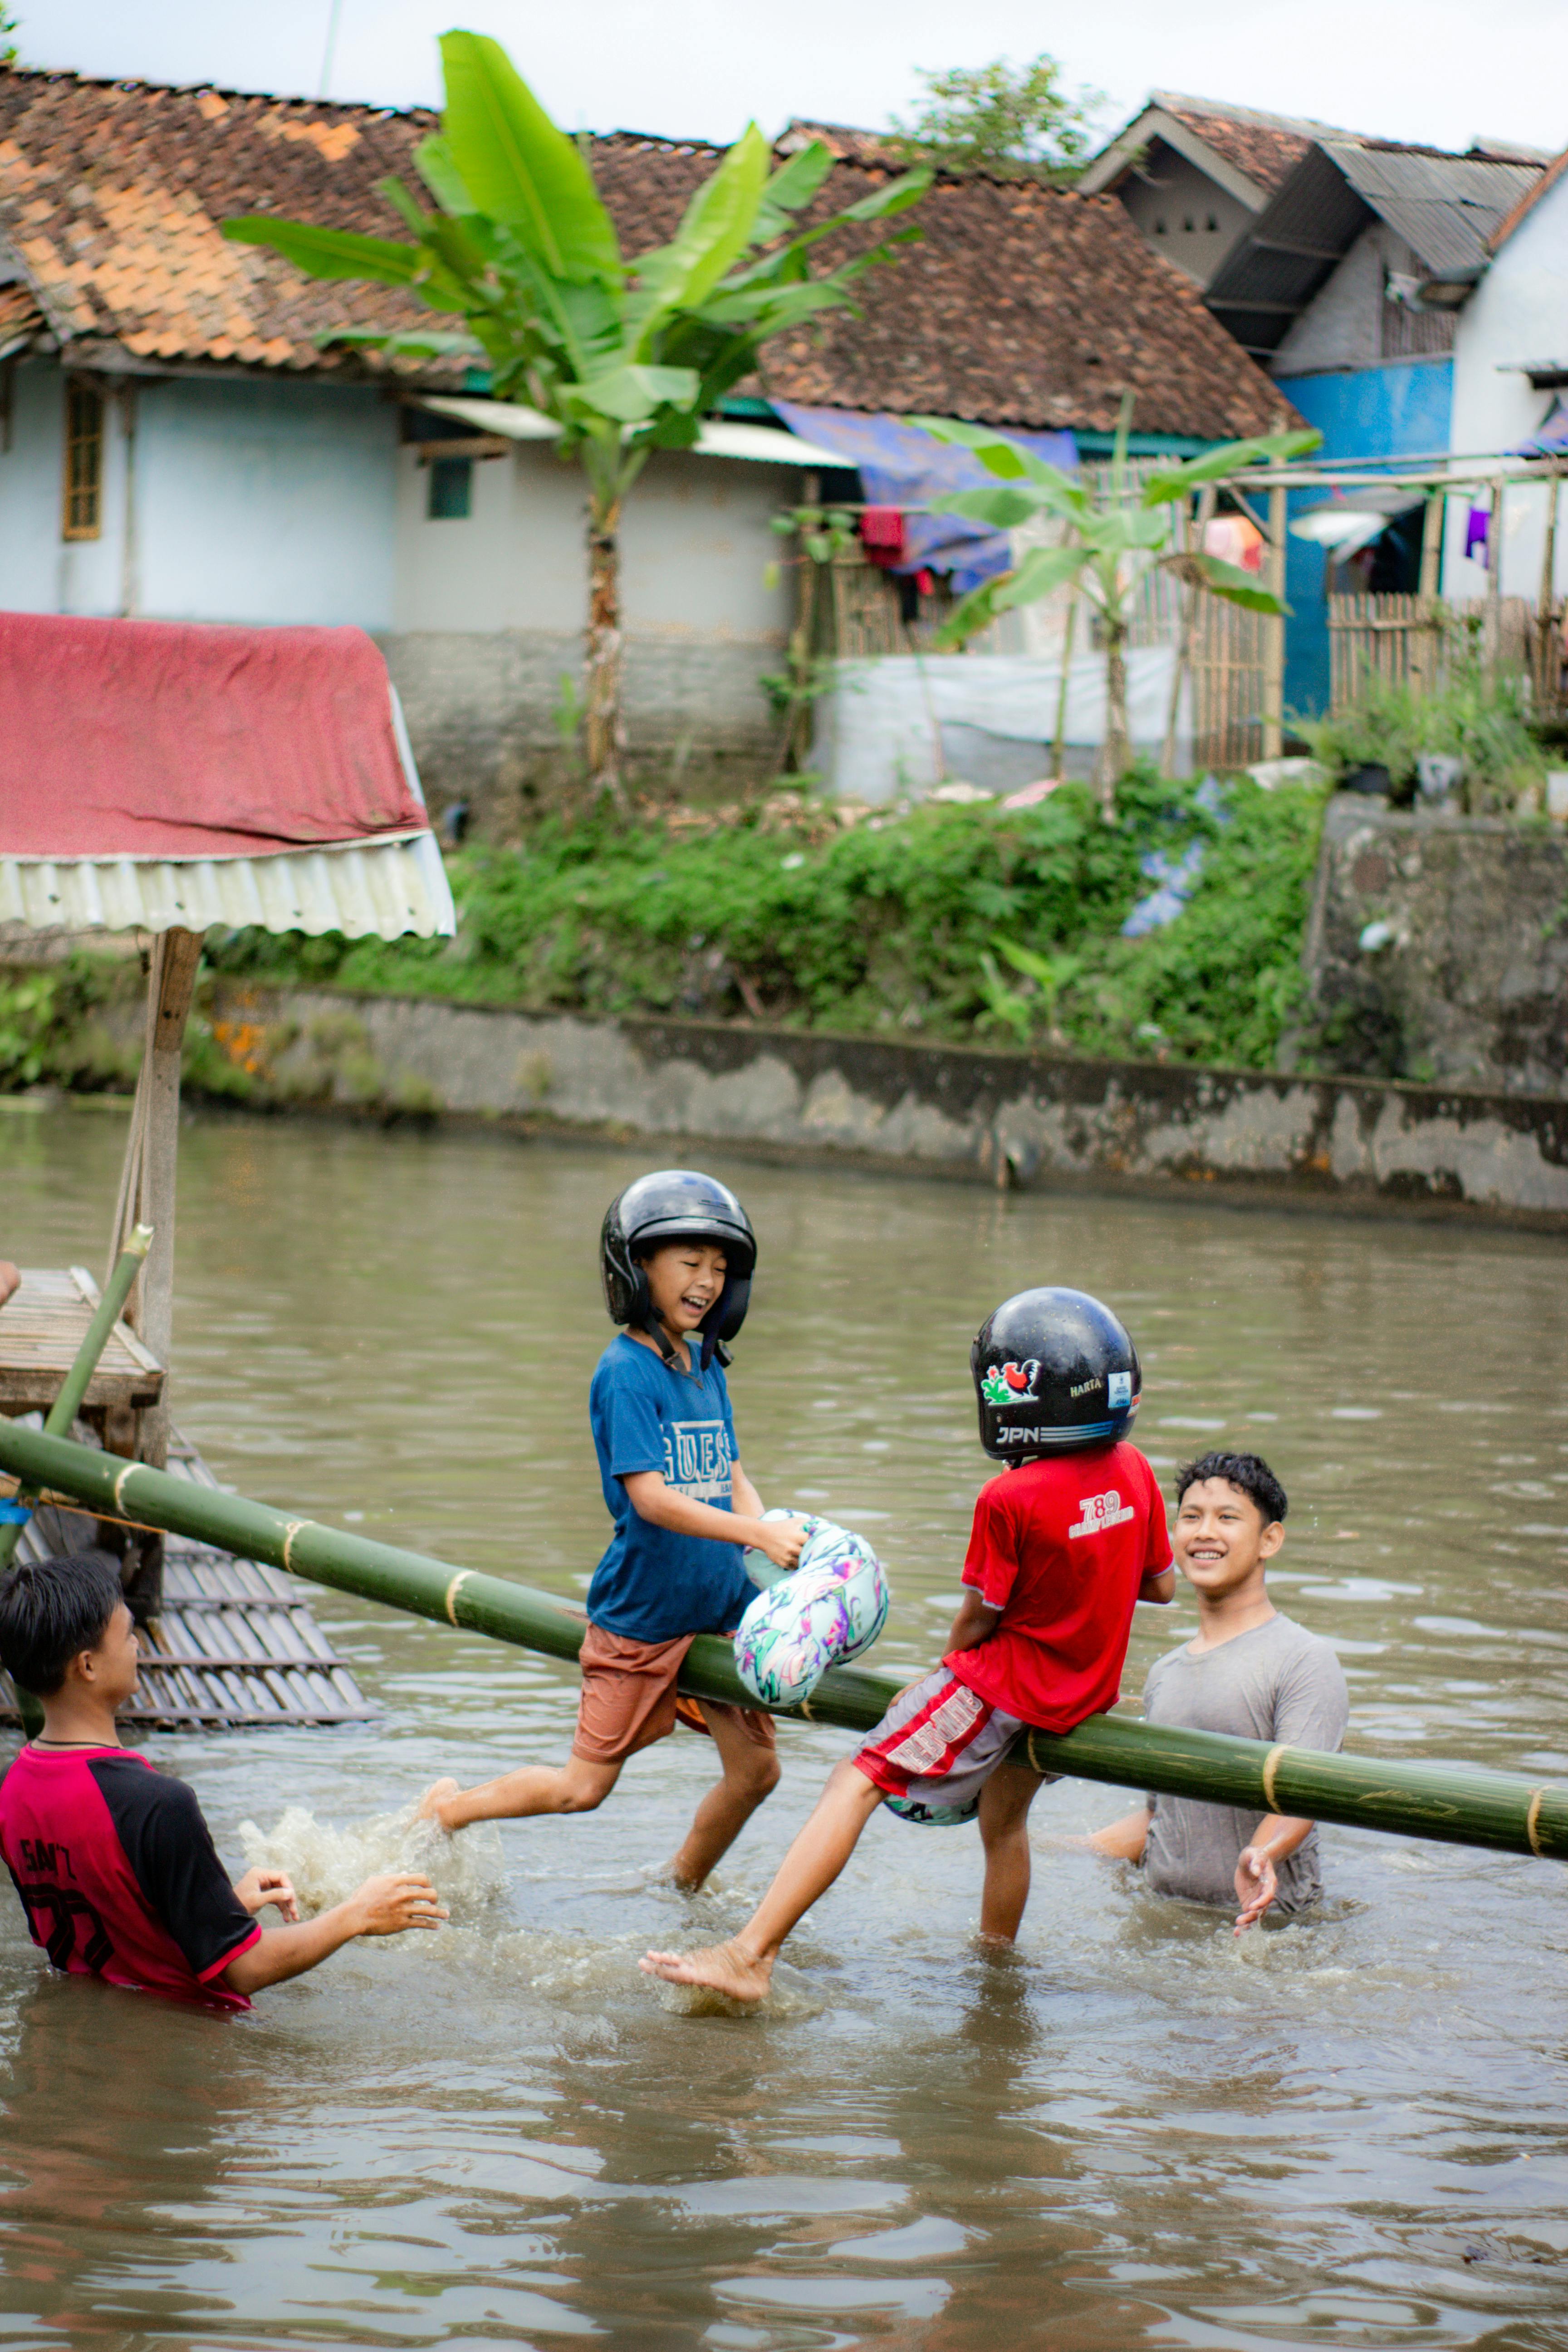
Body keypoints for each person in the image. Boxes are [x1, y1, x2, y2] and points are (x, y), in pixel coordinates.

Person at [640, 1285, 1176, 2002]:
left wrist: (942, 1676)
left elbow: (978, 1623)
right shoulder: (1135, 1471)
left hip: (1008, 1686)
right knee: (1006, 1822)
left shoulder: (1009, 1499)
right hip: (1084, 1692)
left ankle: (751, 1953)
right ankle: (996, 1978)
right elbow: (1161, 1587)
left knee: (853, 1781)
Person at [420, 1170, 807, 1889]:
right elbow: (652, 1501)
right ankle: (449, 1811)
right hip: (645, 1615)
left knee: (757, 1773)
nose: (708, 1282)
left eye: (721, 1269)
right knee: (582, 1789)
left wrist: (777, 1536)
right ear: (637, 1269)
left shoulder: (705, 1362)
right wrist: (753, 1537)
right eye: (690, 1264)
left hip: (722, 1609)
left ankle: (681, 1884)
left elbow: (732, 1472)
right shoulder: (625, 1373)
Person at [0, 1552, 446, 2010]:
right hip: (182, 2052)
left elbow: (108, 1918)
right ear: (88, 1666)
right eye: (128, 1634)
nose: (138, 1645)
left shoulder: (11, 1791)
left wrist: (220, 1906)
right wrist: (357, 1914)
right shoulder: (157, 1803)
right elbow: (245, 1969)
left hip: (93, 2026)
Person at [1084, 1450, 1349, 1932]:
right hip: (1162, 1921)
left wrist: (1263, 1853)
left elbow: (1307, 1797)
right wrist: (1068, 1851)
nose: (1205, 1532)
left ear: (1270, 1539)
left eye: (1228, 1518)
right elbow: (1163, 1816)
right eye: (1191, 1517)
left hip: (1265, 1930)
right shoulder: (1166, 1671)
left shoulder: (1304, 1660)